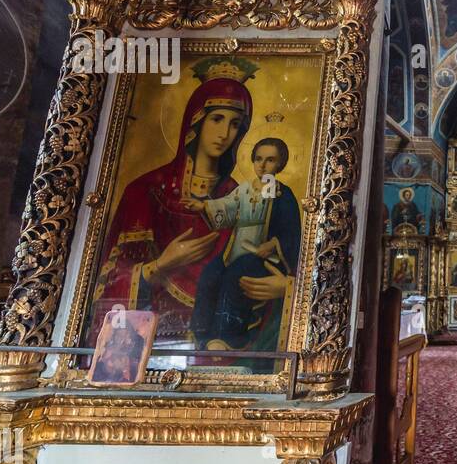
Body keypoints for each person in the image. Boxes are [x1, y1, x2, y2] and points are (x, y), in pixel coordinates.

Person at [90, 61, 278, 349]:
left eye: (235, 124)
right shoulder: (145, 191)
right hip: (149, 345)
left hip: (217, 349)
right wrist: (161, 265)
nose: (225, 133)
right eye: (217, 119)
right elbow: (105, 286)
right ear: (195, 120)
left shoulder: (243, 198)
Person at [189, 138, 301, 350]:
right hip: (236, 248)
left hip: (264, 257)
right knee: (210, 274)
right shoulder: (245, 189)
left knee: (236, 278)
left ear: (280, 164)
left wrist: (274, 243)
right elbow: (227, 207)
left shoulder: (282, 194)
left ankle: (227, 337)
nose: (262, 165)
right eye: (258, 159)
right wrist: (203, 206)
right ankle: (200, 330)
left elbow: (291, 233)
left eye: (270, 160)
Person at [91, 317, 146, 384]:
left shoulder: (133, 353)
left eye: (126, 336)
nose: (122, 340)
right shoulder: (107, 350)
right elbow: (98, 372)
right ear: (114, 335)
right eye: (119, 336)